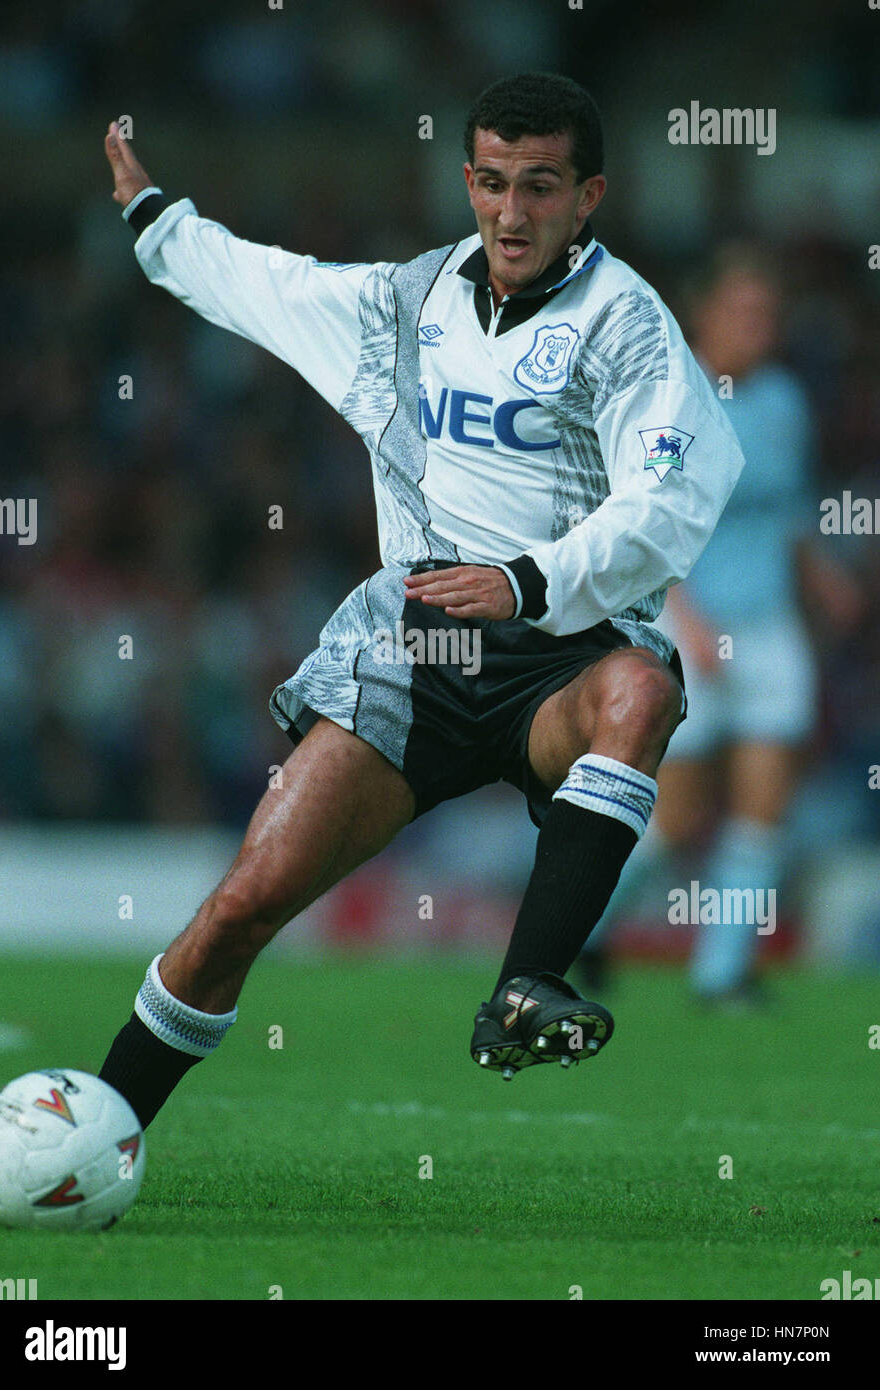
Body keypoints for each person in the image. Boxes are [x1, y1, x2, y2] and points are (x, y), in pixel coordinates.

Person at [98, 72, 744, 1127]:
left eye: (539, 187)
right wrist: (154, 219)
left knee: (640, 690)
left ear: (588, 197)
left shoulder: (625, 325)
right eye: (492, 184)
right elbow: (264, 284)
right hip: (419, 652)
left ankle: (524, 984)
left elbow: (673, 497)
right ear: (466, 181)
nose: (509, 211)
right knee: (242, 906)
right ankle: (103, 1121)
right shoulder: (400, 305)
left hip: (563, 657)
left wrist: (528, 580)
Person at [576, 244, 861, 1005]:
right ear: (702, 314)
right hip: (686, 619)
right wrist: (689, 622)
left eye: (766, 312)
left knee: (765, 801)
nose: (758, 325)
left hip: (766, 624)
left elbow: (788, 512)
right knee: (676, 813)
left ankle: (722, 970)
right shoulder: (672, 401)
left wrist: (820, 578)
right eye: (743, 310)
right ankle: (585, 925)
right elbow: (651, 525)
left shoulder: (782, 403)